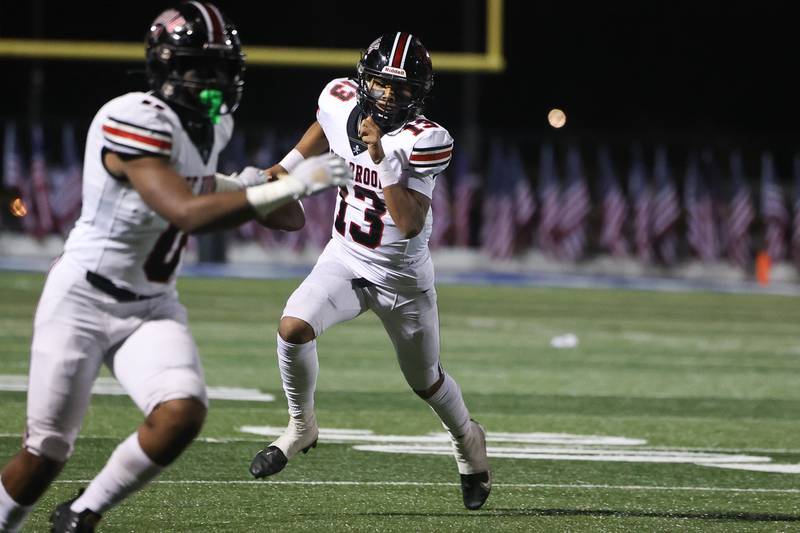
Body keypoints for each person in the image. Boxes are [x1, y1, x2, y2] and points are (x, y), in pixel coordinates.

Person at [0, 3, 351, 532]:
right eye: (198, 67)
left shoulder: (214, 126)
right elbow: (184, 210)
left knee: (182, 412)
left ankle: (82, 513)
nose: (212, 81)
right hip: (83, 300)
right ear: (166, 66)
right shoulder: (133, 116)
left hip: (150, 304)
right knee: (45, 452)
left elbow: (221, 195)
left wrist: (250, 186)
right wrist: (292, 183)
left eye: (221, 68)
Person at [248, 32, 491, 511]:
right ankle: (301, 425)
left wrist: (381, 158)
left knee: (426, 382)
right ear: (364, 80)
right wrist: (290, 165)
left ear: (417, 94)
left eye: (401, 89)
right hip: (344, 257)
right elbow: (325, 123)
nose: (388, 96)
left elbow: (408, 220)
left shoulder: (427, 138)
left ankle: (468, 440)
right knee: (293, 326)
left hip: (402, 280)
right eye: (381, 84)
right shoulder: (340, 100)